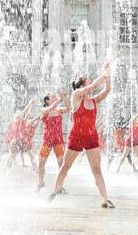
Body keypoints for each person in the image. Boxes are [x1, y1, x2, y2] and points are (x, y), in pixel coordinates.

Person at [49, 62, 116, 208]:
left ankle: (105, 199)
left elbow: (107, 89)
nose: (90, 81)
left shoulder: (94, 100)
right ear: (81, 85)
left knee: (96, 169)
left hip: (91, 137)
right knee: (66, 166)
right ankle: (54, 191)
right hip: (76, 137)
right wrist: (104, 74)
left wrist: (108, 75)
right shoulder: (76, 96)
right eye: (88, 80)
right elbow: (92, 87)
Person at [35, 91, 68, 191]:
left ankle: (60, 185)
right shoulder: (44, 110)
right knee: (42, 163)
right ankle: (41, 182)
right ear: (47, 101)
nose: (54, 97)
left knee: (61, 163)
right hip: (47, 140)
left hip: (58, 139)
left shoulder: (59, 110)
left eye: (54, 96)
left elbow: (69, 108)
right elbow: (51, 108)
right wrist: (60, 99)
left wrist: (65, 98)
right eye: (52, 97)